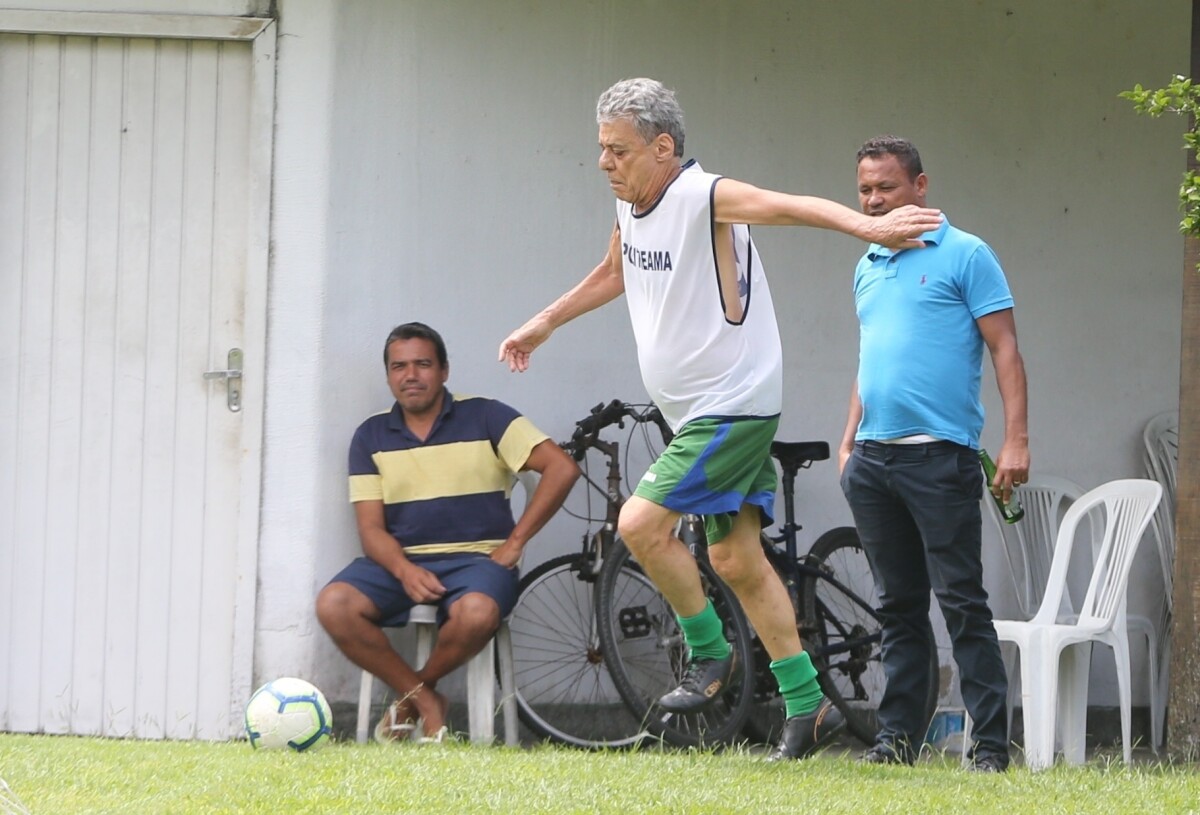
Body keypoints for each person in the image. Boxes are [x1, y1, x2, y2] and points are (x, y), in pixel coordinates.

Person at [498, 78, 943, 761]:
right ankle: (808, 703)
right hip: (697, 415)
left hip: (731, 407)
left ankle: (709, 656)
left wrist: (872, 226)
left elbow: (788, 206)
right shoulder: (635, 207)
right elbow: (613, 272)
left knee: (639, 524)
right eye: (601, 149)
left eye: (617, 149)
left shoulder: (701, 196)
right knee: (734, 556)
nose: (604, 162)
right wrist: (543, 323)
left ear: (663, 146)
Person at [838, 136, 1029, 772]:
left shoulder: (968, 254)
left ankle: (991, 748)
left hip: (938, 459)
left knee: (961, 603)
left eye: (885, 188)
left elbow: (1004, 348)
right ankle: (898, 741)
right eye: (865, 189)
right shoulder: (868, 261)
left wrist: (1015, 439)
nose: (873, 200)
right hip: (873, 461)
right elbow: (872, 359)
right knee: (896, 607)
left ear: (919, 187)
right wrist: (848, 443)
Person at [317, 322, 579, 742]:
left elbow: (562, 468)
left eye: (423, 364)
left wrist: (516, 543)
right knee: (334, 604)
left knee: (477, 614)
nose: (410, 375)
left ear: (444, 371)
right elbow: (371, 530)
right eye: (399, 367)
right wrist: (403, 570)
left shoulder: (487, 415)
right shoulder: (370, 435)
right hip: (400, 565)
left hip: (477, 562)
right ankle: (426, 701)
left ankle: (408, 700)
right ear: (388, 376)